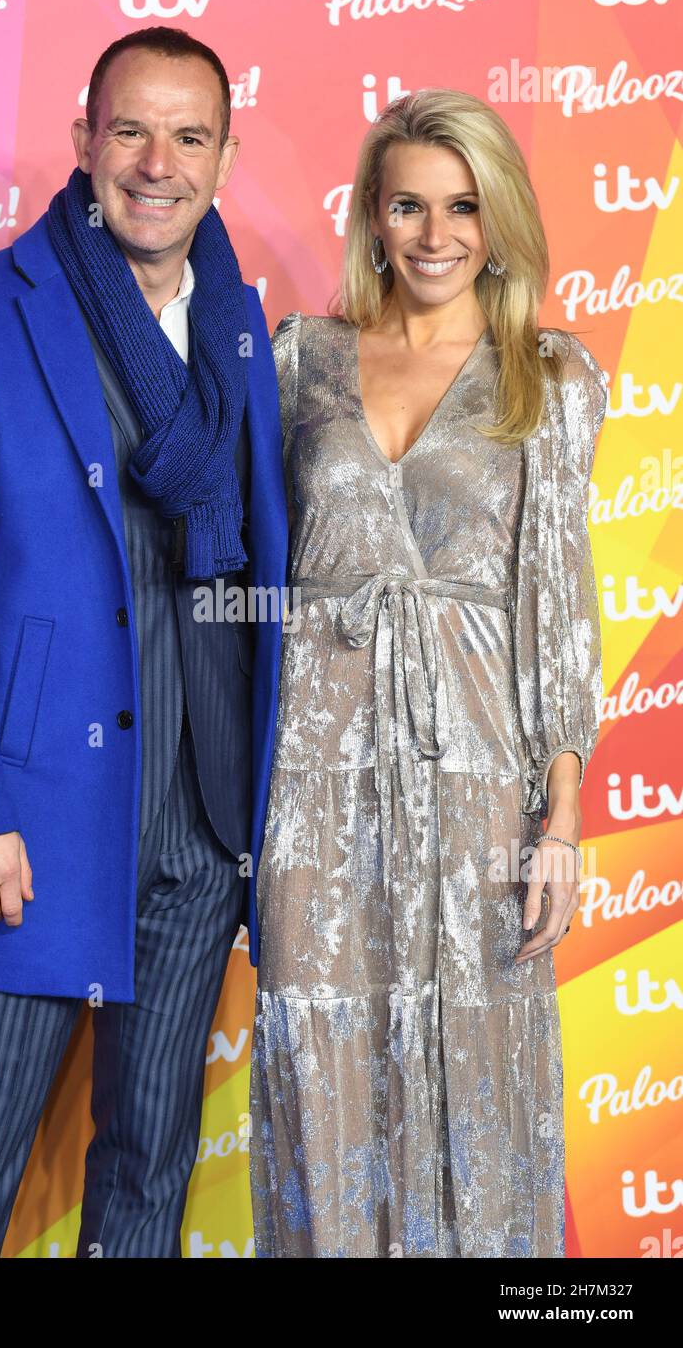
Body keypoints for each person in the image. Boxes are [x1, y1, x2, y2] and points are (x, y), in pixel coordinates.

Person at [0, 26, 288, 1259]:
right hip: (32, 821)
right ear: (82, 143)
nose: (156, 162)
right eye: (129, 130)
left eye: (189, 135)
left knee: (150, 1163)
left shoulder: (239, 332)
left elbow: (253, 581)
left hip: (200, 824)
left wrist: (254, 821)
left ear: (223, 156)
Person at [249, 88, 607, 1258]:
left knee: (480, 1067)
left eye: (462, 206)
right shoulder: (299, 355)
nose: (435, 233)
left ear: (497, 221)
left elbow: (555, 604)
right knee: (323, 1067)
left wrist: (557, 820)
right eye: (408, 204)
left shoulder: (546, 376)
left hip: (473, 784)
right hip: (313, 784)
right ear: (373, 216)